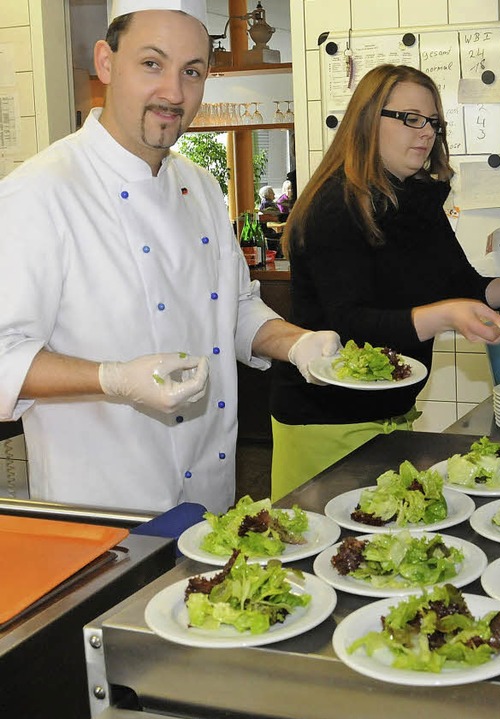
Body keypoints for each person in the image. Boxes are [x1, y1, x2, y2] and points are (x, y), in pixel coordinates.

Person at [0, 0, 339, 514]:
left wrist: (297, 343)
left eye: (192, 72)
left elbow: (233, 307)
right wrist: (113, 378)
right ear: (106, 62)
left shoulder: (200, 186)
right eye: (151, 64)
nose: (174, 93)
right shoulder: (40, 192)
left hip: (211, 498)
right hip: (103, 508)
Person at [269, 63, 500, 500]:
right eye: (411, 119)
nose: (426, 133)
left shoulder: (417, 202)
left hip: (392, 412)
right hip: (325, 421)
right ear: (368, 121)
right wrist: (445, 316)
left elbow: (468, 291)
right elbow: (350, 325)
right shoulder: (336, 204)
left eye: (434, 123)